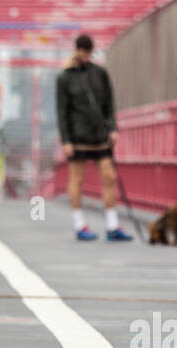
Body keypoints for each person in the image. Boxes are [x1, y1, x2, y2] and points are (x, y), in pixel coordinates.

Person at [56, 33, 132, 241]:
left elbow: (109, 103)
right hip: (77, 136)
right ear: (76, 50)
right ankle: (80, 225)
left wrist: (113, 128)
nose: (84, 56)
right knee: (77, 180)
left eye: (87, 53)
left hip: (100, 135)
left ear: (91, 52)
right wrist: (66, 141)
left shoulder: (100, 73)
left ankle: (112, 225)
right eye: (81, 52)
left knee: (109, 177)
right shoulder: (64, 77)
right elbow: (62, 111)